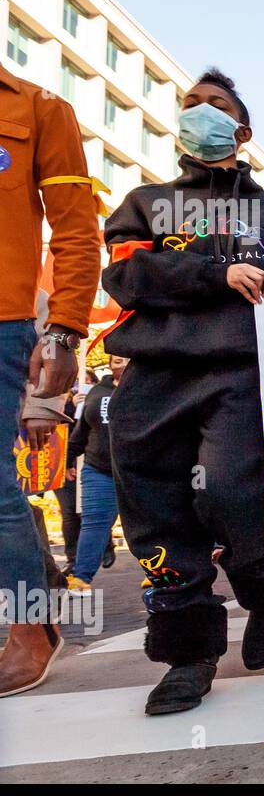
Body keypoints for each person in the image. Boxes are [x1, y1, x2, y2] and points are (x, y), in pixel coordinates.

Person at [101, 69, 264, 714]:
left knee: (231, 488)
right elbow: (127, 274)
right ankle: (188, 652)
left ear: (242, 131)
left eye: (216, 105)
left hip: (241, 372)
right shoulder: (145, 201)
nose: (200, 112)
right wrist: (218, 273)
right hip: (152, 375)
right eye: (191, 105)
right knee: (153, 509)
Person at [0, 58, 102, 698]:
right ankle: (42, 594)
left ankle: (29, 624)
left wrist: (63, 328)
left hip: (7, 322)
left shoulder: (38, 108)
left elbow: (75, 231)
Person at [64, 355, 127, 595]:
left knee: (153, 522)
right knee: (95, 523)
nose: (121, 365)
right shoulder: (98, 391)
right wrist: (68, 459)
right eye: (117, 360)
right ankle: (81, 578)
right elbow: (82, 431)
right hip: (99, 469)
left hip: (141, 471)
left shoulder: (152, 387)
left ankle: (159, 574)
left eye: (127, 360)